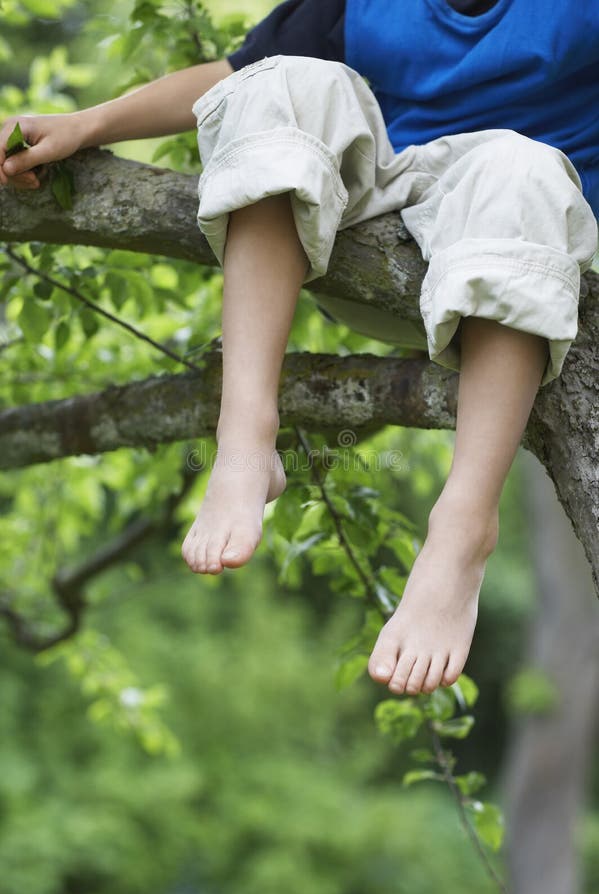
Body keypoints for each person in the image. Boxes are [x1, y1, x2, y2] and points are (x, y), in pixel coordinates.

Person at [1, 0, 597, 696]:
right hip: (361, 227)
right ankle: (245, 437)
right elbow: (231, 72)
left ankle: (463, 528)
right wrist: (87, 123)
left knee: (516, 165)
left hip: (512, 257)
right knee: (279, 80)